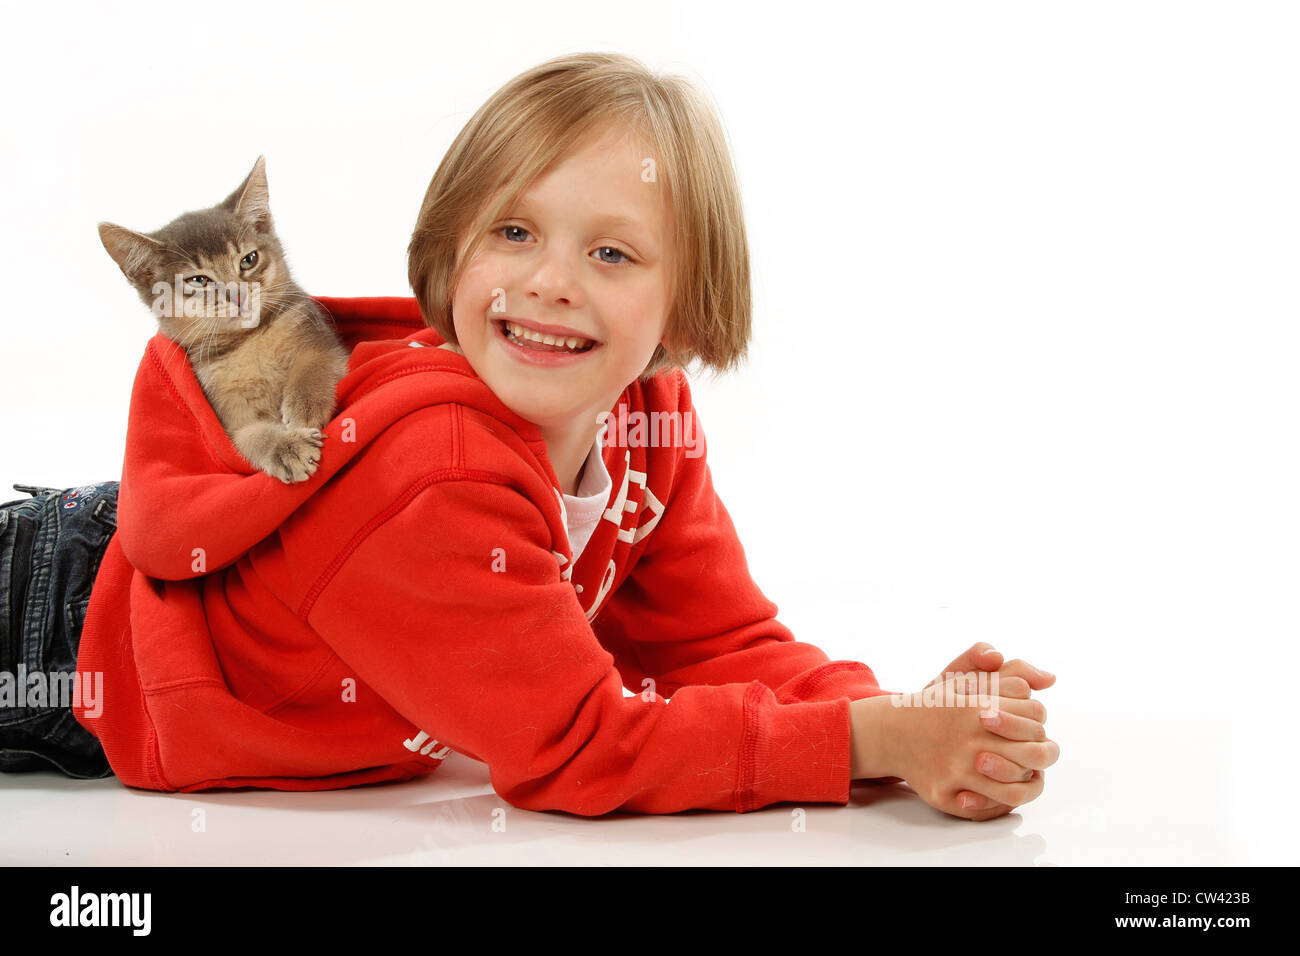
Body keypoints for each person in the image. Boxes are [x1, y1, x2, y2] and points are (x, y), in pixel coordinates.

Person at [2, 52, 1058, 819]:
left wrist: (898, 716)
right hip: (65, 625)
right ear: (451, 251)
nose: (550, 279)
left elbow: (712, 643)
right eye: (514, 231)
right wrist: (868, 741)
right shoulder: (437, 477)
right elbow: (577, 746)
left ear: (683, 317)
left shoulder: (648, 419)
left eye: (611, 251)